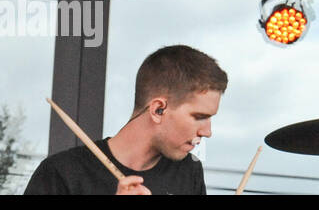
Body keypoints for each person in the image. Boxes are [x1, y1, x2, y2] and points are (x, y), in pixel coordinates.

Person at [24, 45, 226, 195]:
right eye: (200, 117)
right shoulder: (61, 174)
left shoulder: (189, 173)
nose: (207, 131)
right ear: (158, 109)